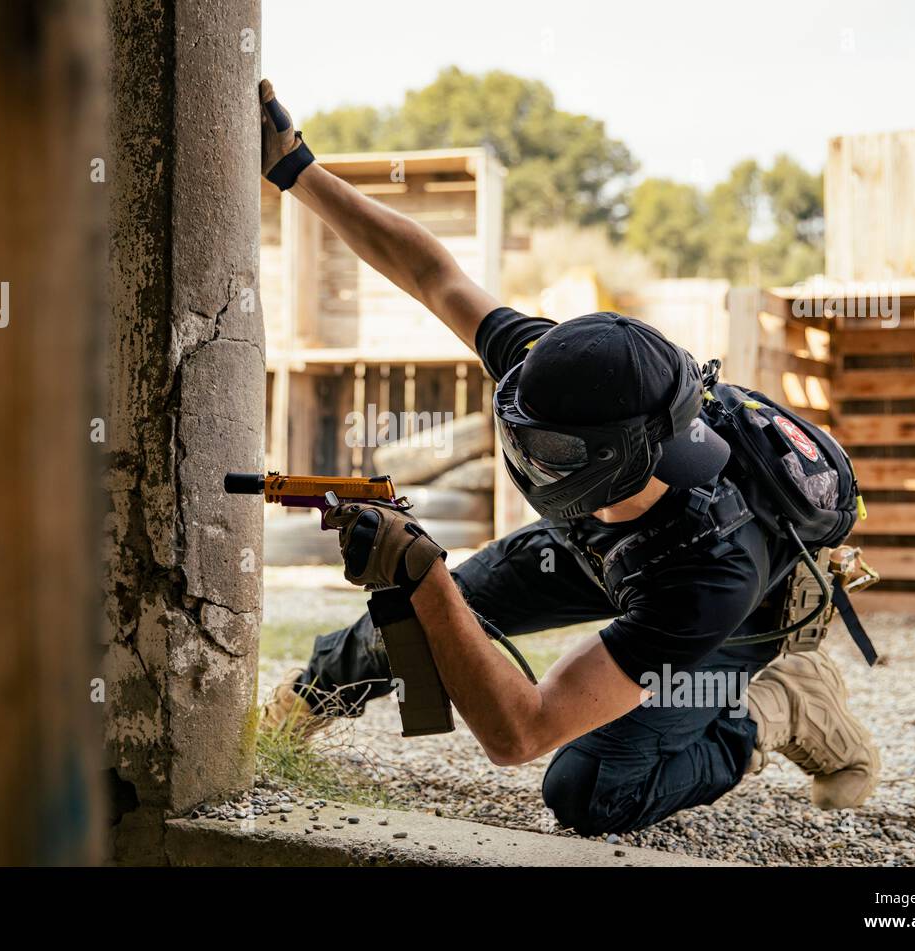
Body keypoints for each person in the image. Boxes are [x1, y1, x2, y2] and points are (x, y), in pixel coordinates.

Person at [256, 80, 879, 835]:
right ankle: (296, 708)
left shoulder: (713, 573)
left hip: (736, 618)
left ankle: (781, 704)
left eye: (543, 447)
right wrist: (297, 170)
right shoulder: (566, 377)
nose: (524, 450)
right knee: (431, 613)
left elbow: (521, 731)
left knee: (590, 792)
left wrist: (423, 576)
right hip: (603, 544)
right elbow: (432, 275)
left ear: (611, 457)